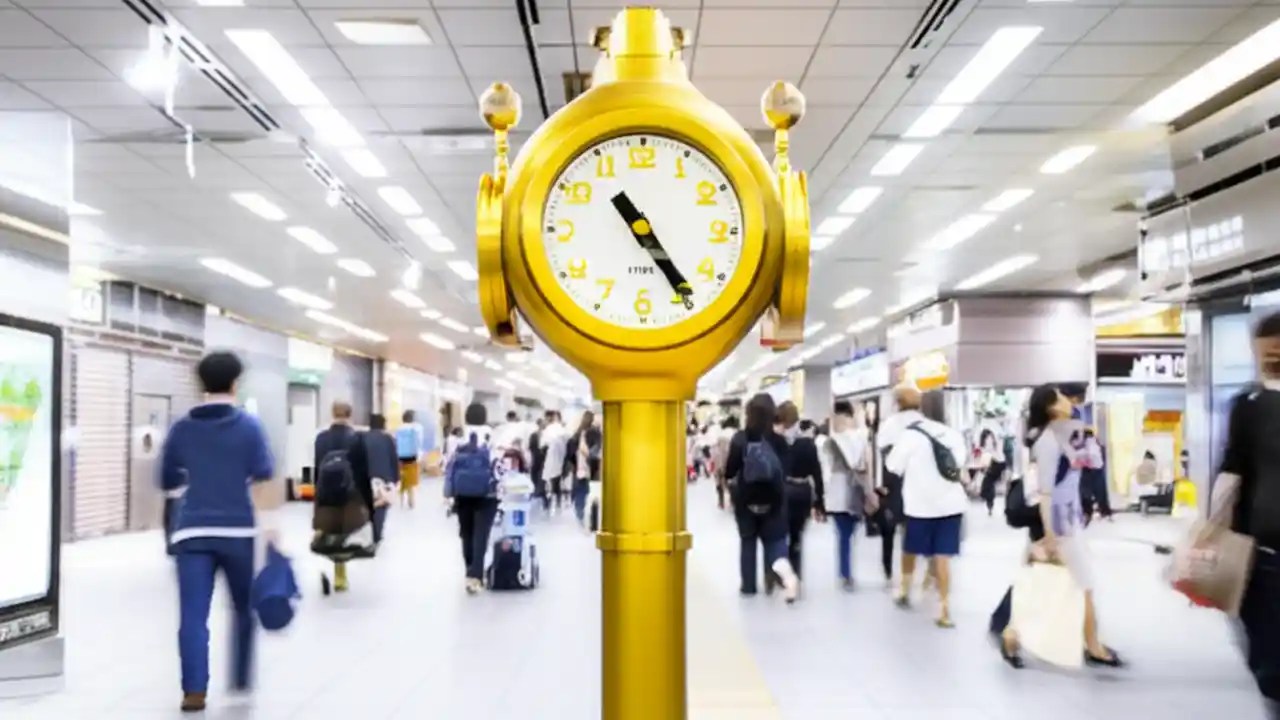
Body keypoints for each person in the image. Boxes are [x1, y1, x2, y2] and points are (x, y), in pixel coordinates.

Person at [160, 352, 275, 712]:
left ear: (201, 385)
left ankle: (194, 691)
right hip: (238, 530)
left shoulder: (182, 427)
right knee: (243, 608)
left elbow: (166, 478)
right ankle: (240, 677)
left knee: (193, 614)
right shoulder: (249, 426)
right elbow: (264, 471)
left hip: (191, 531)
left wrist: (192, 480)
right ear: (235, 384)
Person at [1205, 311, 1280, 717]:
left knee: (1267, 651)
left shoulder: (1249, 405)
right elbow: (1231, 474)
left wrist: (1211, 530)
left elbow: (1230, 476)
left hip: (1265, 552)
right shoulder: (1249, 406)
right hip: (1263, 551)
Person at [886, 388, 967, 628]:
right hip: (951, 505)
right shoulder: (953, 435)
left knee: (910, 548)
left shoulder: (911, 435)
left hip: (920, 507)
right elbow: (960, 466)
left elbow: (893, 466)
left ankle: (904, 589)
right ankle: (943, 609)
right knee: (943, 557)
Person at [724, 393, 800, 602]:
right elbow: (785, 472)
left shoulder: (740, 439)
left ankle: (748, 587)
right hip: (774, 501)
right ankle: (773, 579)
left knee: (748, 543)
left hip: (745, 501)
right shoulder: (779, 441)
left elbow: (730, 472)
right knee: (773, 542)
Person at [314, 401, 373, 594]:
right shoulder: (357, 438)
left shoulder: (321, 438)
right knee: (345, 531)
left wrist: (312, 491)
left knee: (331, 530)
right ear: (350, 414)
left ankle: (337, 571)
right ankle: (341, 576)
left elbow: (314, 466)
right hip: (351, 493)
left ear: (332, 413)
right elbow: (363, 471)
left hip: (325, 493)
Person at [822, 400, 876, 591]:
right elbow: (866, 467)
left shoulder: (830, 441)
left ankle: (845, 573)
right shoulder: (861, 438)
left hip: (836, 491)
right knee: (849, 533)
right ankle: (846, 572)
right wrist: (870, 491)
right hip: (855, 489)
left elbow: (825, 469)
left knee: (842, 535)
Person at [444, 403, 497, 594]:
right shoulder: (492, 436)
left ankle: (469, 572)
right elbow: (497, 464)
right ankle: (476, 576)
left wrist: (448, 491)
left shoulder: (456, 436)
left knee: (466, 532)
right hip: (487, 492)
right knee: (481, 534)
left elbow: (448, 464)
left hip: (462, 491)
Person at [777, 403, 824, 585]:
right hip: (803, 492)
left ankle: (781, 572)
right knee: (797, 535)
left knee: (780, 534)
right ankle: (795, 571)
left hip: (784, 491)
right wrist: (819, 500)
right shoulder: (807, 443)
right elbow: (817, 473)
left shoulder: (777, 443)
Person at [364, 414, 399, 544]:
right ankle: (377, 533)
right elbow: (393, 459)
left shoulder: (362, 438)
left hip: (366, 476)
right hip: (384, 477)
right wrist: (395, 478)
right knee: (382, 506)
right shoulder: (388, 439)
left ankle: (368, 529)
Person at [566, 410, 603, 527]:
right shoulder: (595, 433)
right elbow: (598, 450)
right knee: (593, 495)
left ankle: (580, 514)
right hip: (593, 469)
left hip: (579, 468)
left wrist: (574, 464)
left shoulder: (577, 433)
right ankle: (592, 522)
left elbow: (570, 451)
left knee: (580, 492)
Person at [1080, 428, 1111, 523]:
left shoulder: (1085, 444)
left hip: (1088, 471)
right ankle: (1105, 512)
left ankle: (1087, 513)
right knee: (1101, 493)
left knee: (1085, 494)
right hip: (1098, 470)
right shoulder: (1097, 445)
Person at [541, 410, 569, 511]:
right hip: (561, 460)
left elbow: (543, 444)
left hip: (550, 459)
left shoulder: (549, 429)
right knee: (556, 483)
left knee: (548, 483)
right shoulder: (563, 430)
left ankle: (548, 506)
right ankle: (557, 506)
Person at [395, 410, 424, 509]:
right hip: (411, 458)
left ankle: (401, 502)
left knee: (402, 480)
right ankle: (411, 502)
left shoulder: (398, 429)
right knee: (410, 482)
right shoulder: (415, 429)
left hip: (400, 458)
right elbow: (418, 443)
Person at [712, 416, 739, 510]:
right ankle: (732, 500)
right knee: (731, 481)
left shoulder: (720, 434)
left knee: (719, 480)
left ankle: (721, 501)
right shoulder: (736, 434)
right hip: (731, 460)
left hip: (719, 459)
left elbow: (715, 448)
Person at [978, 429, 1006, 516]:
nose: (989, 440)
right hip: (995, 463)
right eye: (987, 439)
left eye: (990, 438)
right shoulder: (985, 448)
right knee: (988, 483)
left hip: (998, 463)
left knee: (988, 483)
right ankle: (990, 503)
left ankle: (989, 502)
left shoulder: (995, 446)